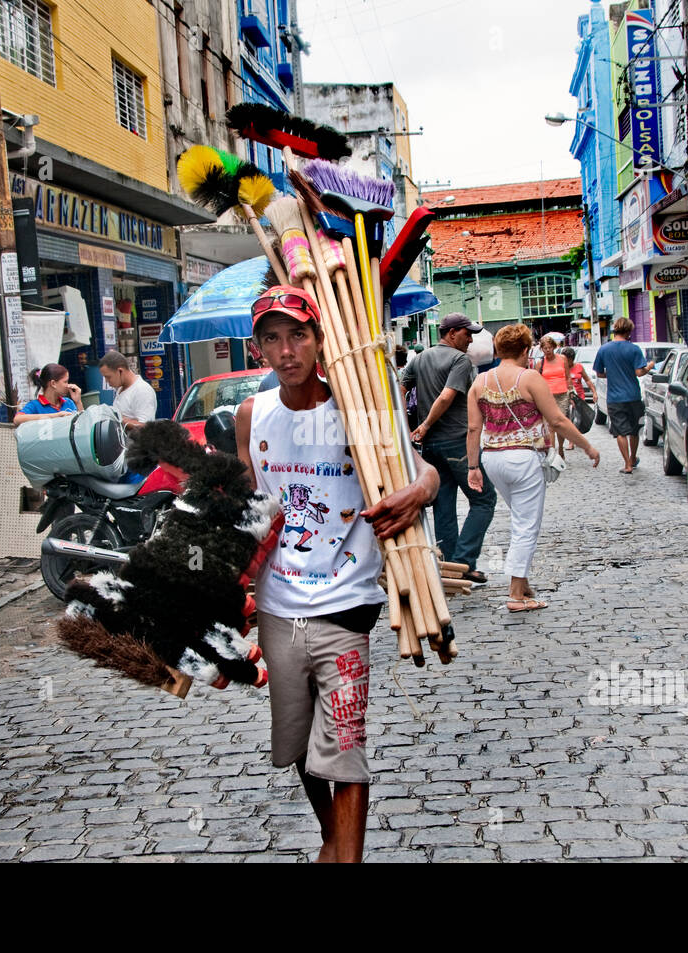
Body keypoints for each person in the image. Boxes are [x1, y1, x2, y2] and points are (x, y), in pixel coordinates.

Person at [234, 285, 439, 863]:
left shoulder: (360, 408)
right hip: (277, 604)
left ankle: (348, 857)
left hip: (346, 601)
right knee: (299, 744)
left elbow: (425, 472)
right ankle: (333, 839)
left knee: (344, 740)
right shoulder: (252, 415)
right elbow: (249, 511)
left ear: (321, 340)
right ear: (258, 349)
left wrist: (418, 493)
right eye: (271, 339)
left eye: (298, 335)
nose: (286, 350)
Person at [466, 323, 599, 612]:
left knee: (520, 518)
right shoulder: (530, 378)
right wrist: (587, 446)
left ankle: (523, 585)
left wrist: (473, 466)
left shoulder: (480, 382)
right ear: (526, 350)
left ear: (499, 350)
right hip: (523, 457)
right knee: (526, 526)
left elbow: (474, 428)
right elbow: (558, 421)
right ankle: (516, 595)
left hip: (492, 458)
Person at [401, 312, 497, 586]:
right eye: (467, 334)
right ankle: (464, 562)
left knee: (443, 505)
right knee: (484, 499)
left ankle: (448, 566)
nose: (470, 340)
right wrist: (426, 424)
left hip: (430, 446)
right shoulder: (460, 360)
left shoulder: (419, 359)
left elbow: (400, 387)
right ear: (452, 333)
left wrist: (406, 424)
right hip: (455, 440)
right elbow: (447, 395)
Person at [592, 316, 655, 473]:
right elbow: (639, 373)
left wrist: (611, 374)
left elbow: (599, 374)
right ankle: (633, 457)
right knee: (634, 430)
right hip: (633, 396)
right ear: (628, 332)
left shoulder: (604, 350)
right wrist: (649, 367)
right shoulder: (634, 349)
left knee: (620, 432)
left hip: (614, 398)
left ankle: (627, 464)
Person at [98, 350, 157, 429]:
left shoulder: (142, 390)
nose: (106, 381)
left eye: (108, 377)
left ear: (120, 371)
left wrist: (118, 419)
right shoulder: (120, 389)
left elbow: (146, 427)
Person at [13, 363, 80, 424]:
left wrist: (78, 402)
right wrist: (55, 416)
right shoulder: (35, 405)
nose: (68, 385)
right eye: (65, 382)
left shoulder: (68, 402)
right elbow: (17, 419)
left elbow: (82, 424)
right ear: (53, 383)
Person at [560, 346, 597, 451]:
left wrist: (594, 392)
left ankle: (573, 441)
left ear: (572, 359)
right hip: (566, 398)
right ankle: (572, 441)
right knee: (569, 420)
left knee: (576, 421)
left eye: (568, 359)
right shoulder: (561, 369)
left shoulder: (579, 367)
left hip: (579, 399)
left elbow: (588, 380)